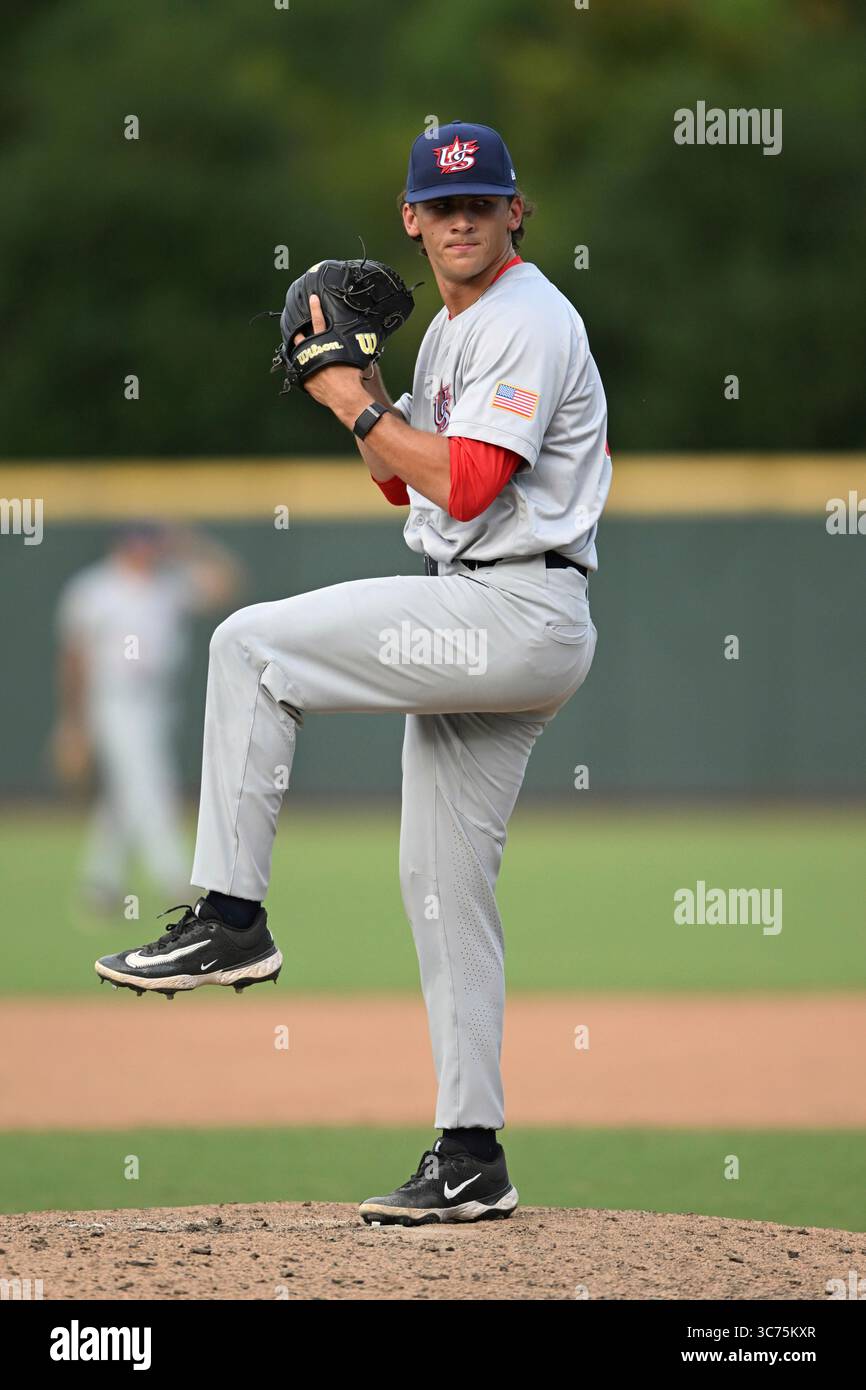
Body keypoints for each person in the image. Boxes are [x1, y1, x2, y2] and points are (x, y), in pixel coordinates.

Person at [95, 120, 611, 1227]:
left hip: (509, 607)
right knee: (441, 888)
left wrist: (347, 396)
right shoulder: (449, 340)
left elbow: (468, 487)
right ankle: (471, 1152)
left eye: (484, 202)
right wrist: (366, 382)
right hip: (492, 609)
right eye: (443, 204)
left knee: (248, 645)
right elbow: (410, 489)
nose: (462, 219)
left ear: (514, 212)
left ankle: (231, 916)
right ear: (410, 218)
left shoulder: (525, 320)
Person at [54, 522, 242, 912]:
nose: (146, 552)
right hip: (113, 700)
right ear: (121, 546)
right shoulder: (96, 590)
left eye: (151, 544)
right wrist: (72, 725)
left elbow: (227, 583)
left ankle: (100, 885)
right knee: (150, 785)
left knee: (127, 793)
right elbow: (74, 659)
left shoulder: (167, 585)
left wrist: (190, 542)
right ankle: (176, 881)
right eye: (139, 545)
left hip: (158, 700)